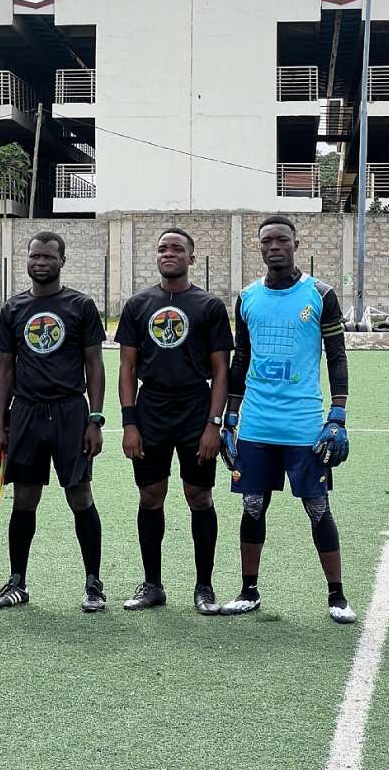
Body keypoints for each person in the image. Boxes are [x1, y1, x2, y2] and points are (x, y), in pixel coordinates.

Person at [219, 215, 355, 624]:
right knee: (252, 507)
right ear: (258, 247)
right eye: (266, 241)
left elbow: (336, 355)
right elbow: (240, 358)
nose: (273, 246)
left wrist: (338, 413)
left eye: (281, 240)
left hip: (302, 424)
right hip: (257, 424)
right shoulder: (246, 298)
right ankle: (248, 591)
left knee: (317, 507)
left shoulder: (320, 293)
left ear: (296, 244)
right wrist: (230, 417)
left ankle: (337, 596)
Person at [116, 228, 234, 613]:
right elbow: (127, 366)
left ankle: (204, 586)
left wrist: (213, 424)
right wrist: (129, 422)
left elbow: (221, 370)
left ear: (191, 258)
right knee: (151, 496)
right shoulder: (138, 305)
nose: (170, 253)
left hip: (194, 408)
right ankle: (152, 584)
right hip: (150, 409)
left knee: (198, 497)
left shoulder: (209, 306)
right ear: (156, 256)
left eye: (178, 248)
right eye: (163, 248)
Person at [0, 231, 107, 612]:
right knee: (24, 498)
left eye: (48, 257)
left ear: (62, 261)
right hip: (26, 412)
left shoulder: (80, 305)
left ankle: (93, 583)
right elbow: (5, 369)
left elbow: (94, 364)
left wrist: (95, 418)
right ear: (27, 260)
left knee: (80, 496)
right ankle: (17, 582)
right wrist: (0, 423)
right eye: (34, 256)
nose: (40, 262)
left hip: (71, 412)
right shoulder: (13, 309)